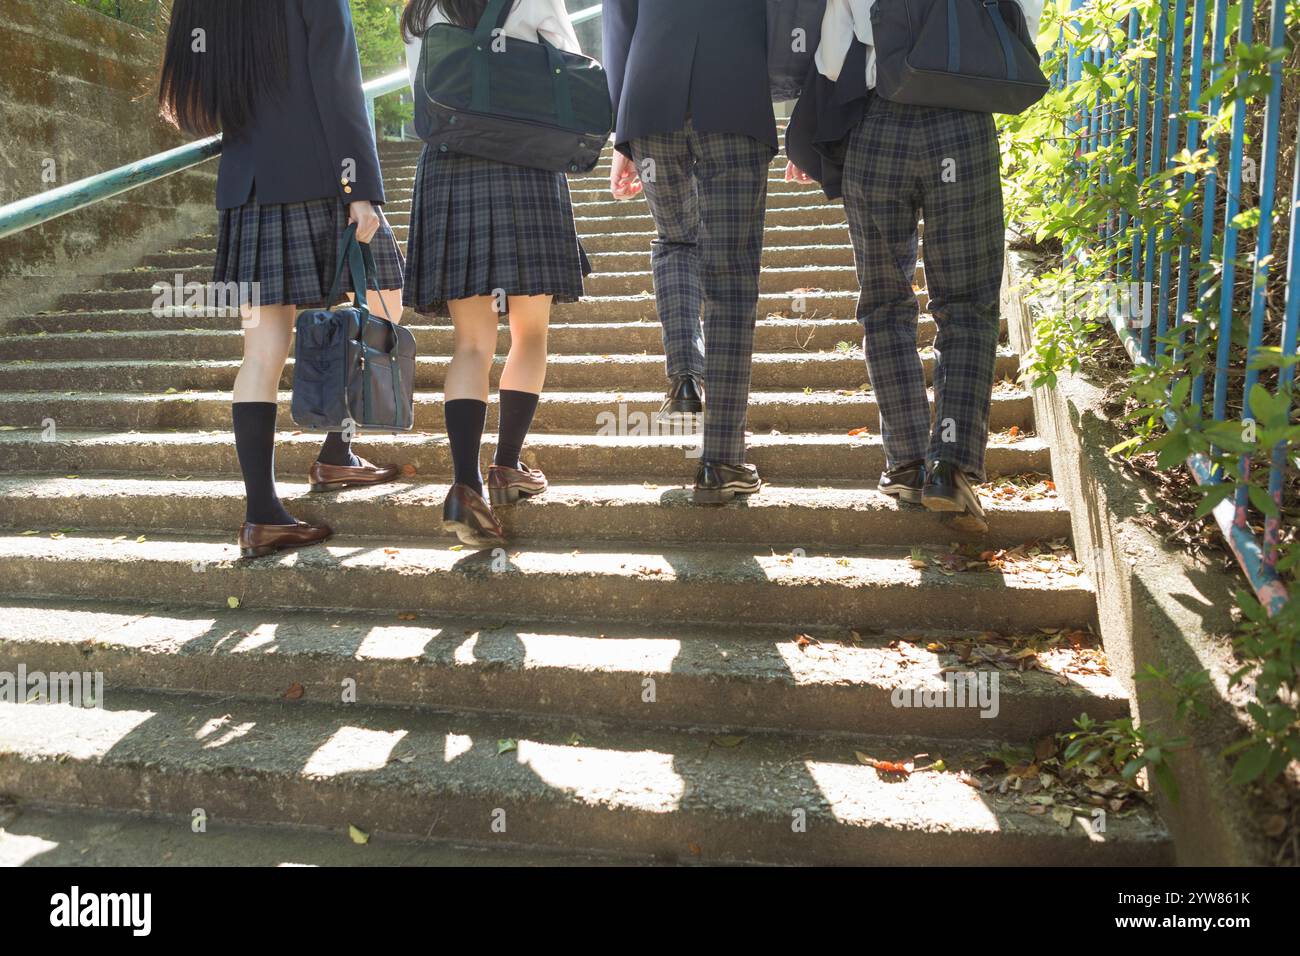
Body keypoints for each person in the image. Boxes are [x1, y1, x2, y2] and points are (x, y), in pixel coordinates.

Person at [159, 0, 406, 559]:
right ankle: (336, 452)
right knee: (384, 301)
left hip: (248, 186)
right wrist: (359, 187)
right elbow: (338, 81)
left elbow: (196, 94)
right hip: (319, 177)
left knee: (262, 349)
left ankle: (264, 514)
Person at [793, 0, 1044, 533]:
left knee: (884, 302)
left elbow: (835, 44)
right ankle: (949, 466)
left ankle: (906, 461)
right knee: (969, 305)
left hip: (879, 122)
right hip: (963, 118)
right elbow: (1022, 17)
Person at [401, 0, 591, 547]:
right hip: (524, 163)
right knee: (530, 332)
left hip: (450, 167)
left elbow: (426, 87)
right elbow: (573, 68)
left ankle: (465, 485)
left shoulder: (421, 10)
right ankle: (506, 465)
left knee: (470, 345)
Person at [604, 0, 778, 504]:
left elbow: (619, 24)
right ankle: (721, 459)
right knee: (731, 278)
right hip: (734, 97)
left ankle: (684, 378)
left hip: (651, 102)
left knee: (677, 240)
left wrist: (623, 129)